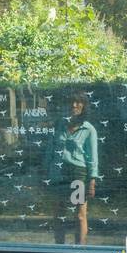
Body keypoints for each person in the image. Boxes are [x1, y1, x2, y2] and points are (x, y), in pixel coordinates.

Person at [48, 92, 98, 244]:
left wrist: (92, 181)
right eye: (71, 102)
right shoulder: (59, 124)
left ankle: (80, 250)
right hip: (58, 173)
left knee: (80, 215)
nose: (74, 105)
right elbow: (49, 150)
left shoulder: (88, 129)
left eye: (78, 102)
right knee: (58, 214)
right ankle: (60, 249)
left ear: (84, 106)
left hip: (78, 173)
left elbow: (92, 157)